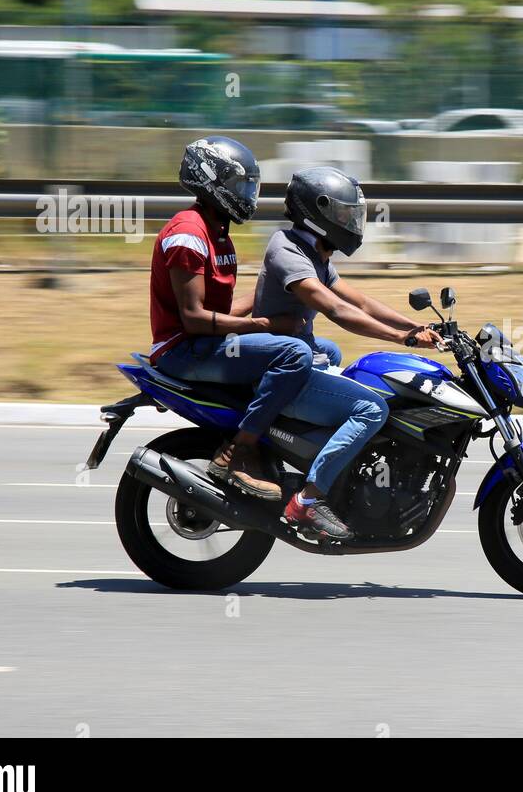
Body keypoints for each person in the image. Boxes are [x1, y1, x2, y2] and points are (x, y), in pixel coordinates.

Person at [253, 165, 441, 539]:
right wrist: (402, 338)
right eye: (342, 213)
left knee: (343, 360)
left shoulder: (314, 254)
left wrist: (416, 327)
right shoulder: (287, 251)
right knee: (372, 407)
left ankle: (335, 468)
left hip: (299, 356)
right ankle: (308, 500)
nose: (350, 220)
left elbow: (362, 302)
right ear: (317, 212)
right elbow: (337, 311)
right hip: (282, 371)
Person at [149, 136, 312, 502]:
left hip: (208, 340)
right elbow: (193, 318)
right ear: (211, 181)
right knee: (293, 355)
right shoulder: (188, 234)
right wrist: (264, 326)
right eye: (239, 185)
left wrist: (275, 295)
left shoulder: (217, 231)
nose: (246, 194)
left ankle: (278, 444)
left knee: (323, 350)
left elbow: (218, 313)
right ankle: (239, 450)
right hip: (184, 349)